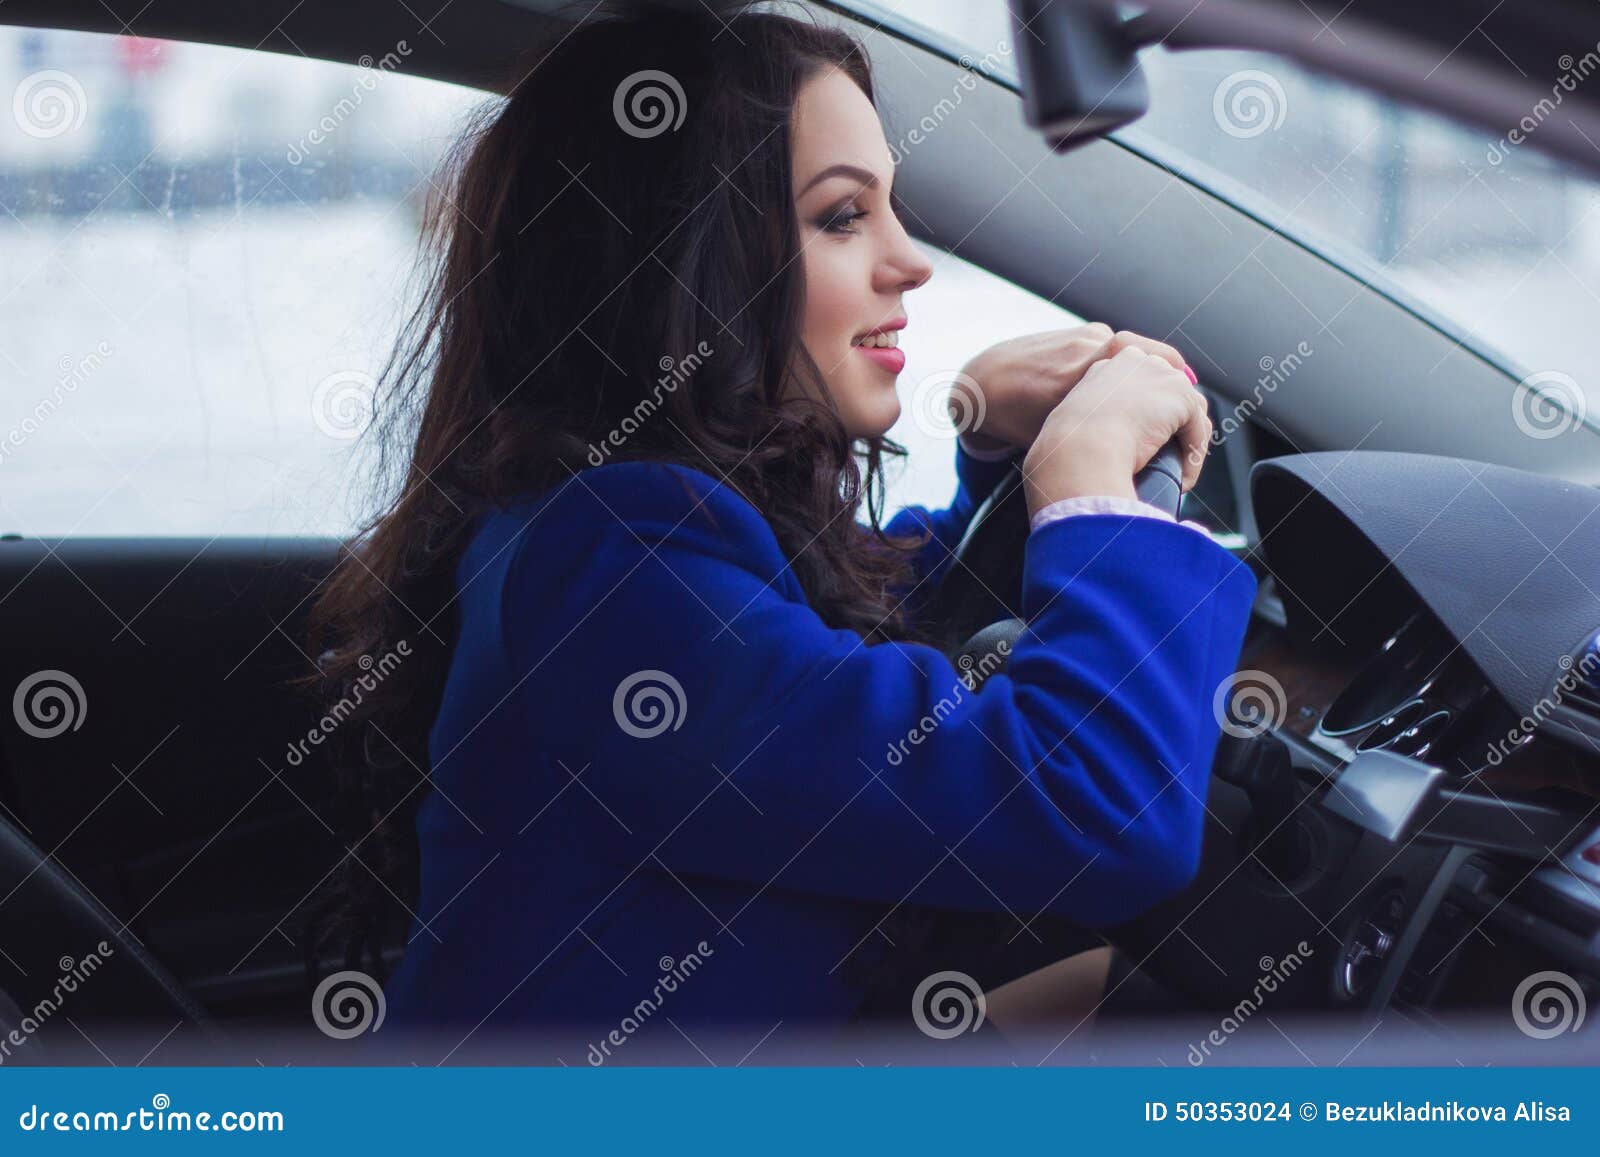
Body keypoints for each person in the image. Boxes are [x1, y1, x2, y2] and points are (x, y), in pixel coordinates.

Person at [300, 2, 1257, 1063]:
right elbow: (1092, 805)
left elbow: (838, 688)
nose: (912, 261)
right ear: (683, 260)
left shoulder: (606, 524)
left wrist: (989, 456)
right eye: (844, 217)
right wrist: (1086, 484)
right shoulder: (618, 563)